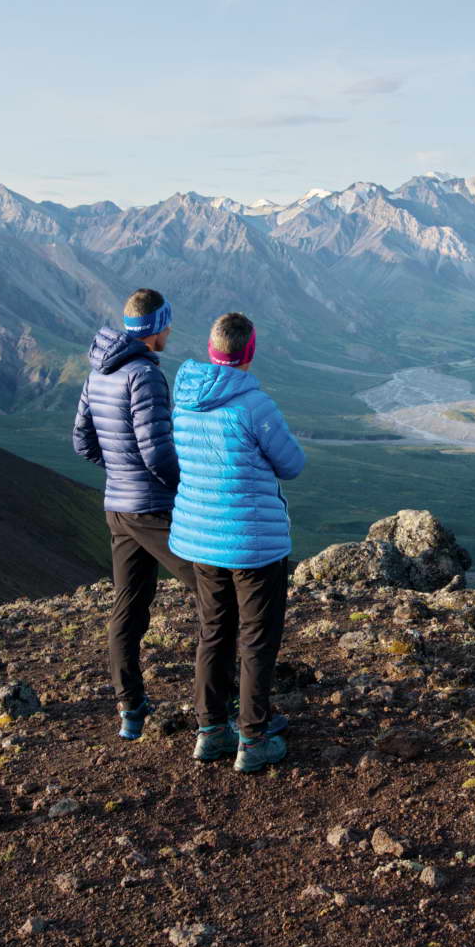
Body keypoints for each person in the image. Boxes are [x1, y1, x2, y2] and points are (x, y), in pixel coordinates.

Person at [169, 312, 305, 773]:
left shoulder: (184, 400)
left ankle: (211, 733)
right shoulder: (254, 405)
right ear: (248, 353)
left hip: (200, 539)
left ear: (211, 350)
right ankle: (253, 737)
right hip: (253, 544)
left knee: (214, 633)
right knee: (257, 639)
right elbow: (291, 464)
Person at [71, 287, 194, 741]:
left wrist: (120, 473)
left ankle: (131, 709)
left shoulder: (97, 373)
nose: (170, 331)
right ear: (157, 328)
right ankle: (224, 704)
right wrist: (187, 490)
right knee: (216, 595)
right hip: (152, 509)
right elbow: (158, 453)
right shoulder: (144, 375)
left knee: (129, 606)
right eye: (167, 323)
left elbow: (83, 443)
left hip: (117, 508)